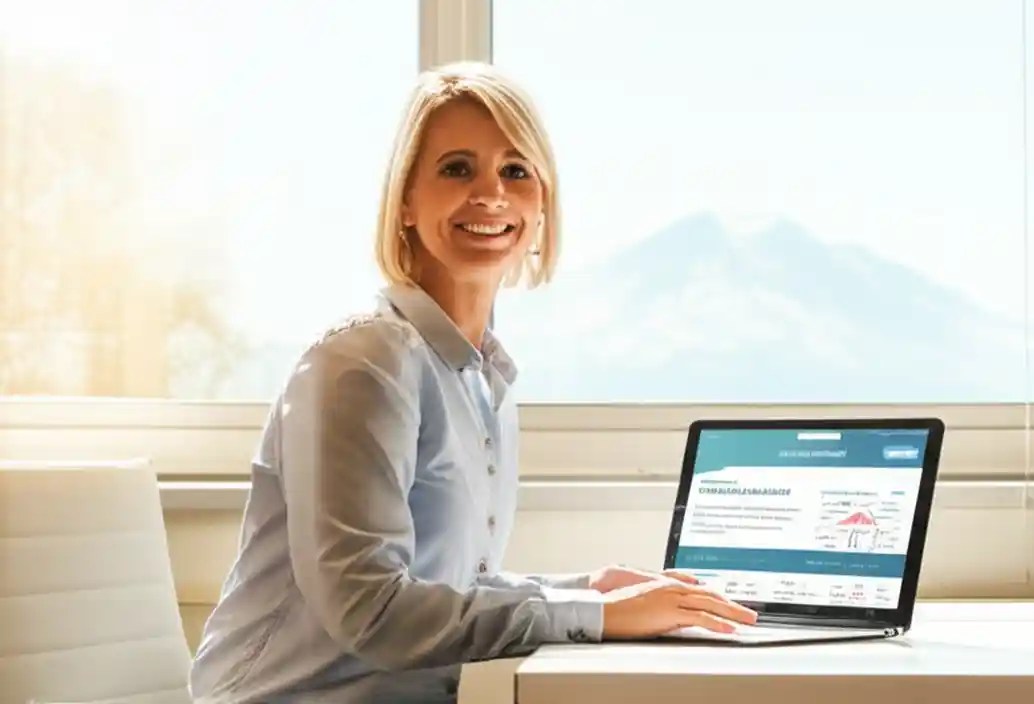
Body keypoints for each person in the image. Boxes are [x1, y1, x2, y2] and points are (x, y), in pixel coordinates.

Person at [188, 61, 756, 704]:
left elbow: (446, 588)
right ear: (405, 200)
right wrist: (597, 618)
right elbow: (374, 610)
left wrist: (588, 588)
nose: (491, 194)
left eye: (516, 171)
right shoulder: (364, 363)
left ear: (542, 206)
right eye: (457, 168)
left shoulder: (481, 378)